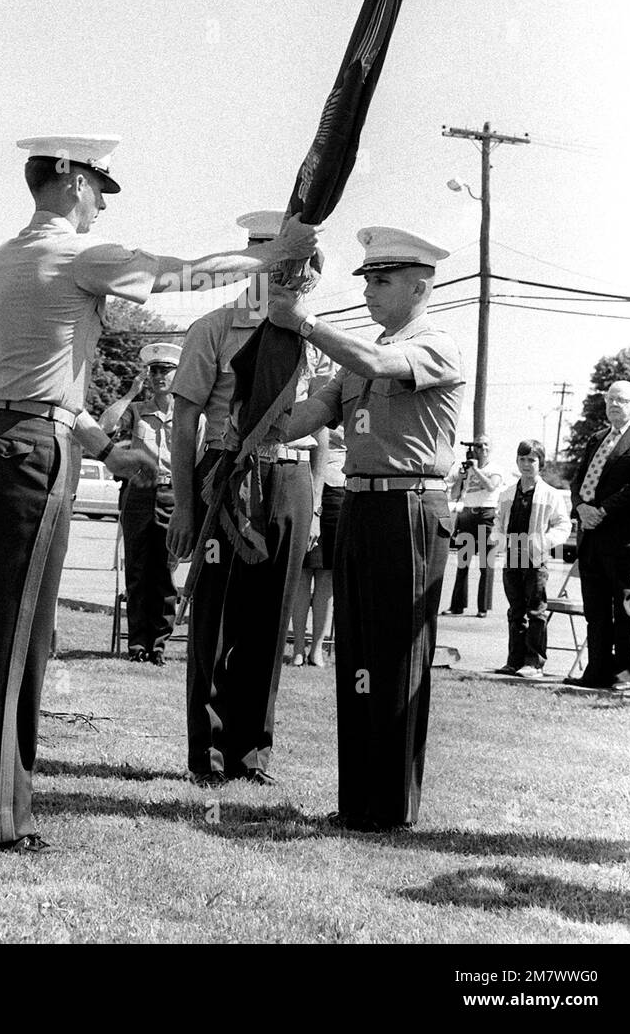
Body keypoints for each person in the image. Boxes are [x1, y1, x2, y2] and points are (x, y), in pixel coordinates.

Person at [0, 141, 320, 850]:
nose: (103, 205)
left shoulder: (3, 258)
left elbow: (27, 375)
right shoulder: (75, 254)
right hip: (26, 449)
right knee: (19, 633)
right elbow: (177, 274)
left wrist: (109, 448)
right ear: (74, 180)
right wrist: (271, 260)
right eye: (99, 188)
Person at [268, 226, 464, 831]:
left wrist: (304, 323)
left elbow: (377, 363)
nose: (372, 291)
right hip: (357, 504)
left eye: (382, 281)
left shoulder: (433, 345)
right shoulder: (360, 353)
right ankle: (357, 800)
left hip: (409, 509)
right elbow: (306, 415)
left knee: (397, 654)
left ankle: (391, 805)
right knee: (356, 653)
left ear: (420, 286)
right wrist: (257, 410)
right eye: (368, 280)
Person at [167, 209, 330, 787]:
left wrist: (309, 504)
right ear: (257, 264)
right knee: (214, 620)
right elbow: (183, 421)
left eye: (302, 263)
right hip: (226, 478)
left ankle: (251, 755)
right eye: (283, 263)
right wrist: (185, 506)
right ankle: (209, 755)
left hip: (288, 479)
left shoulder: (312, 331)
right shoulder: (214, 328)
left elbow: (321, 421)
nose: (295, 275)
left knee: (268, 623)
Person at [100, 342, 182, 665]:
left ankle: (159, 644)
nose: (160, 376)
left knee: (165, 569)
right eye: (155, 371)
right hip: (137, 493)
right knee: (136, 569)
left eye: (166, 370)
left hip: (171, 494)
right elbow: (105, 426)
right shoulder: (137, 411)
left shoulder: (189, 413)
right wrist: (130, 394)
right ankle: (137, 645)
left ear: (178, 374)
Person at [566, 380, 630, 691]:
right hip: (591, 535)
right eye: (610, 399)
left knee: (625, 608)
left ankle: (627, 675)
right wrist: (581, 508)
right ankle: (596, 672)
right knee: (595, 608)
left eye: (622, 400)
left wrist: (601, 510)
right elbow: (578, 481)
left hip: (625, 537)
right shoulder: (597, 438)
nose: (614, 404)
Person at [490, 440, 571, 679]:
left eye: (532, 460)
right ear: (517, 461)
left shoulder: (550, 495)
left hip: (536, 561)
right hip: (512, 558)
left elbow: (563, 525)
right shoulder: (507, 493)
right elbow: (497, 520)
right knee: (516, 611)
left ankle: (534, 662)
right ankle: (514, 660)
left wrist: (542, 542)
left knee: (535, 611)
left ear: (541, 464)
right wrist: (498, 538)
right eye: (522, 459)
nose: (526, 464)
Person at [290, 424, 343, 666]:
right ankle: (298, 647)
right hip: (305, 482)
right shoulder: (319, 397)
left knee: (326, 579)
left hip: (339, 488)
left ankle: (317, 648)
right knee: (302, 575)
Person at [441, 435, 505, 618]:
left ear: (490, 448)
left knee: (486, 564)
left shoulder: (495, 469)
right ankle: (457, 605)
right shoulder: (466, 469)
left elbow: (491, 487)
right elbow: (454, 494)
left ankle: (483, 607)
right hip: (468, 514)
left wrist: (476, 470)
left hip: (486, 515)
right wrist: (461, 478)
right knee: (463, 562)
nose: (481, 448)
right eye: (478, 445)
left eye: (485, 445)